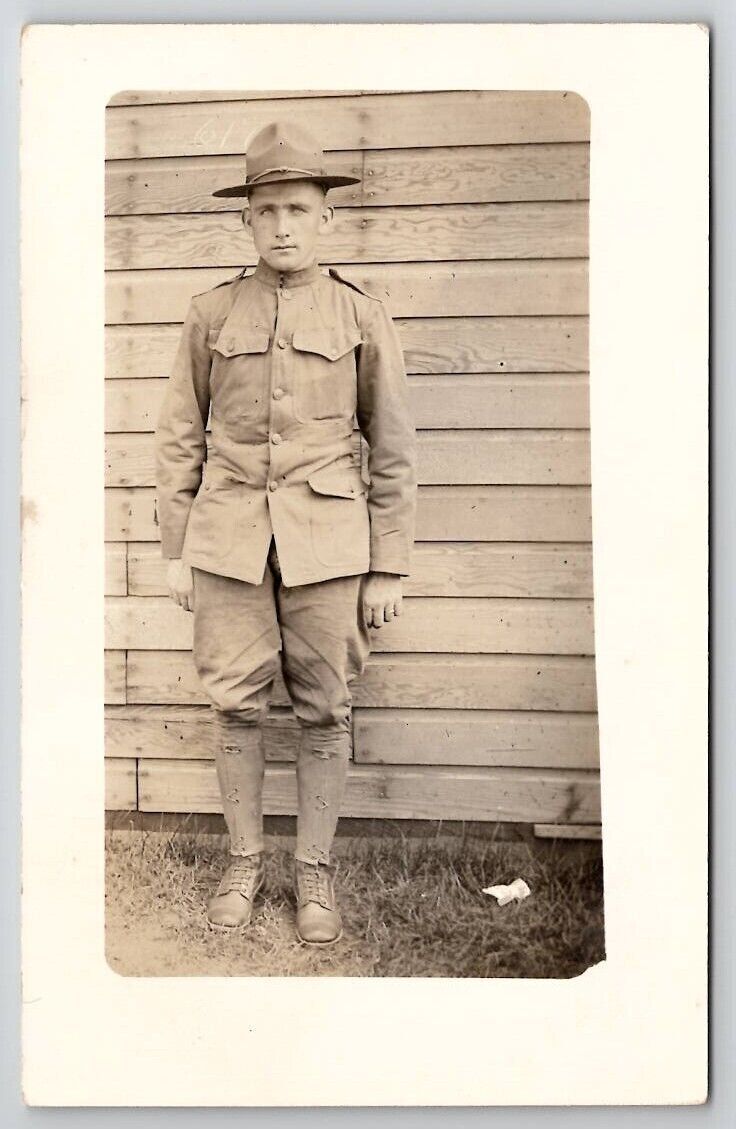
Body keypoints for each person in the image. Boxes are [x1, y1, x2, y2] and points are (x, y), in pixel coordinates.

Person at [155, 120, 417, 946]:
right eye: (266, 210)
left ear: (325, 216)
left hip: (331, 543)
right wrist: (174, 549)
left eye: (298, 208)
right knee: (233, 703)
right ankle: (243, 862)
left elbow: (396, 445)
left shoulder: (362, 314)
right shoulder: (209, 312)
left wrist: (388, 568)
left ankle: (314, 874)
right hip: (227, 537)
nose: (283, 226)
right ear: (247, 220)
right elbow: (177, 437)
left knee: (324, 708)